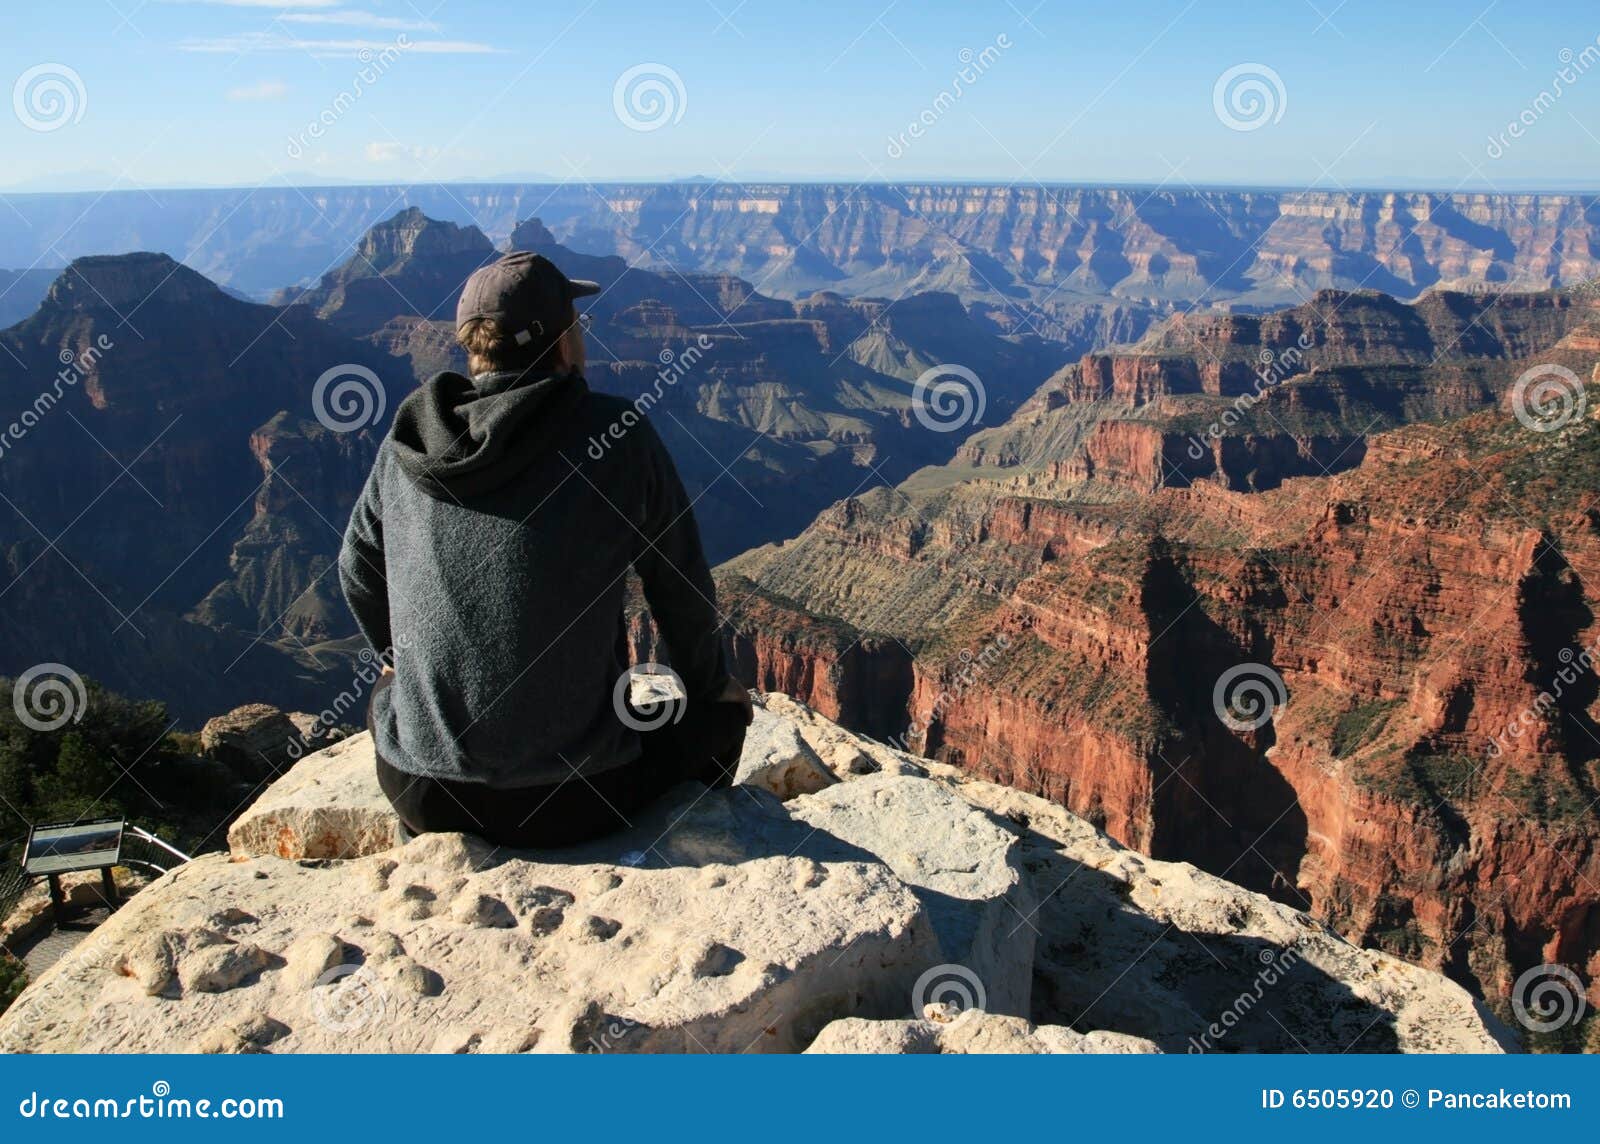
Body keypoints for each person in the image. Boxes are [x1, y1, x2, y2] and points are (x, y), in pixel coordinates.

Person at [338, 250, 750, 849]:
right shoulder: (617, 434)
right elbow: (678, 585)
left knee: (385, 696)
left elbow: (356, 570)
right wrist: (708, 687)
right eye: (576, 327)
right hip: (576, 798)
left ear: (473, 347)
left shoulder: (408, 442)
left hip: (423, 791)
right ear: (562, 342)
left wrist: (399, 657)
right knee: (723, 714)